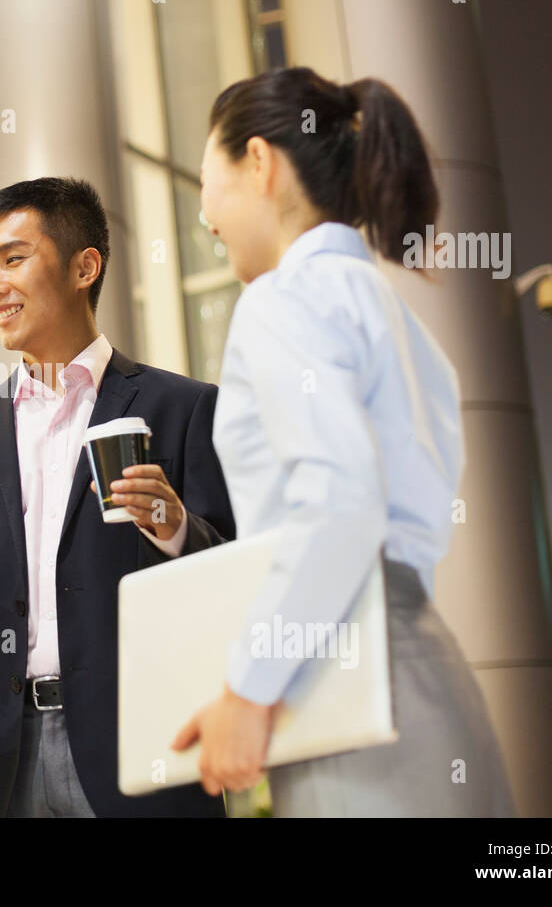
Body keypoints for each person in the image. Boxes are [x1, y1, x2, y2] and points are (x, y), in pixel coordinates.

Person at [172, 67, 515, 816]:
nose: (207, 216)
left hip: (344, 686)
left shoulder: (280, 303)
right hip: (429, 671)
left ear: (259, 163)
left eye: (209, 182)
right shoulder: (397, 313)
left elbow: (340, 501)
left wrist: (247, 688)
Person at [0, 177, 236, 817]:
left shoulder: (181, 409)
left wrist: (176, 528)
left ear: (83, 266)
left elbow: (231, 584)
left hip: (138, 748)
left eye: (13, 259)